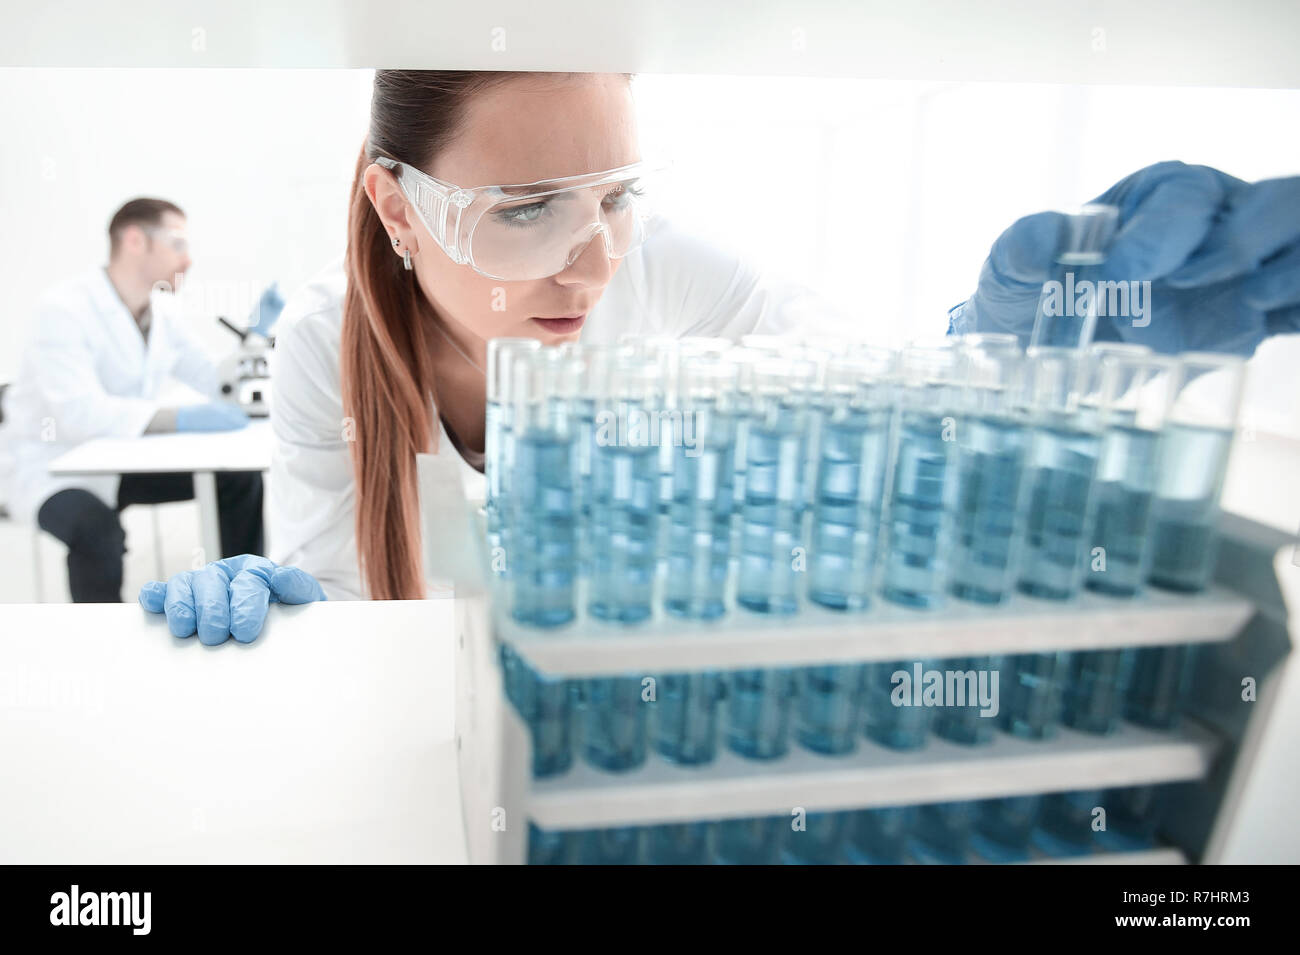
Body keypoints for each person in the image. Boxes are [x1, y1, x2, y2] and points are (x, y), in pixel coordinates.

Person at [138, 70, 1300, 645]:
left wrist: (1013, 346)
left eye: (616, 197)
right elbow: (346, 614)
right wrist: (275, 628)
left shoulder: (661, 268)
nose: (591, 267)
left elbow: (876, 383)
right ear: (399, 212)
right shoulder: (318, 347)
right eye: (531, 207)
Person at [1, 197, 265, 602]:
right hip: (52, 469)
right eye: (177, 245)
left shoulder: (162, 313)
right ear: (135, 240)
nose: (188, 260)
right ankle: (100, 650)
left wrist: (255, 344)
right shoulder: (63, 309)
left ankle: (242, 596)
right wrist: (177, 418)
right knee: (96, 529)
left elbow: (213, 381)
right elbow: (78, 413)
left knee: (235, 477)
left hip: (118, 462)